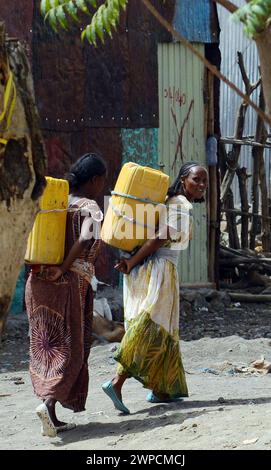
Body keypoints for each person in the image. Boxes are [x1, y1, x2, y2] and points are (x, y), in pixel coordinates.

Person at [102, 162, 208, 413]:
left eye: (204, 181)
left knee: (164, 328)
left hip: (150, 268)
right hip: (159, 270)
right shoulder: (180, 204)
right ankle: (116, 383)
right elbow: (161, 236)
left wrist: (132, 262)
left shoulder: (169, 201)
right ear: (183, 180)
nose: (201, 185)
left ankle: (162, 389)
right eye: (196, 180)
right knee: (152, 328)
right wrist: (131, 261)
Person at [25, 153, 107, 437]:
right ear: (95, 180)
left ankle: (52, 414)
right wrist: (63, 268)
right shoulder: (91, 207)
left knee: (46, 344)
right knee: (71, 347)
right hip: (69, 281)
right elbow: (86, 237)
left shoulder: (56, 203)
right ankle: (48, 404)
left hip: (38, 281)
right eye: (102, 182)